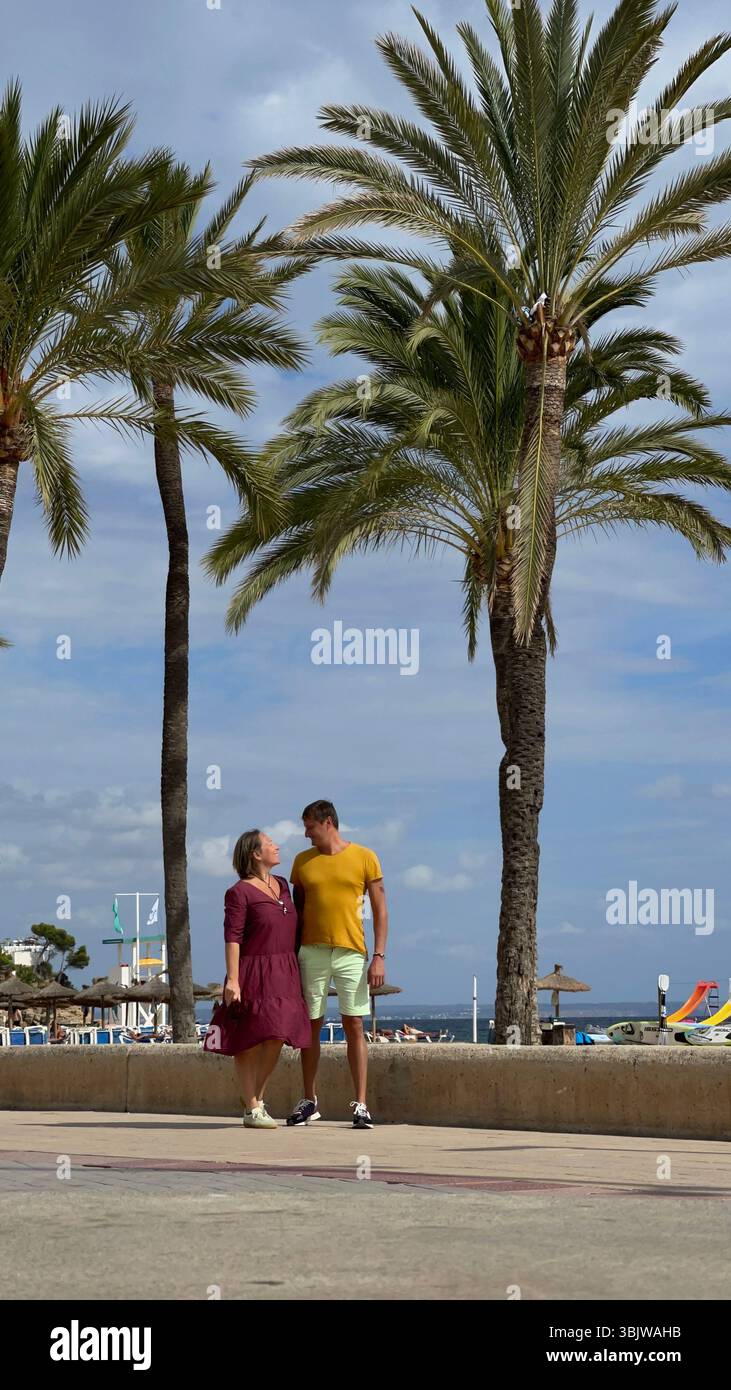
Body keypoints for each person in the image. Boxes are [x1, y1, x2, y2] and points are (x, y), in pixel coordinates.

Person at [287, 799, 388, 1130]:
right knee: (310, 1026)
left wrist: (379, 956)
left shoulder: (365, 857)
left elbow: (381, 909)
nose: (306, 834)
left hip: (351, 952)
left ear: (327, 822)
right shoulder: (302, 862)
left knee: (354, 1025)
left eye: (310, 827)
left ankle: (360, 1104)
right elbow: (295, 912)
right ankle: (309, 1100)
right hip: (311, 952)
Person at [204, 829, 311, 1129]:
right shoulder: (239, 892)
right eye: (270, 844)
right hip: (252, 970)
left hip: (284, 970)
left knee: (278, 1034)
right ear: (255, 853)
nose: (277, 847)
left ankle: (254, 1099)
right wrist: (233, 980)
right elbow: (233, 938)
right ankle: (252, 1106)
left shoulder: (283, 886)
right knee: (248, 1039)